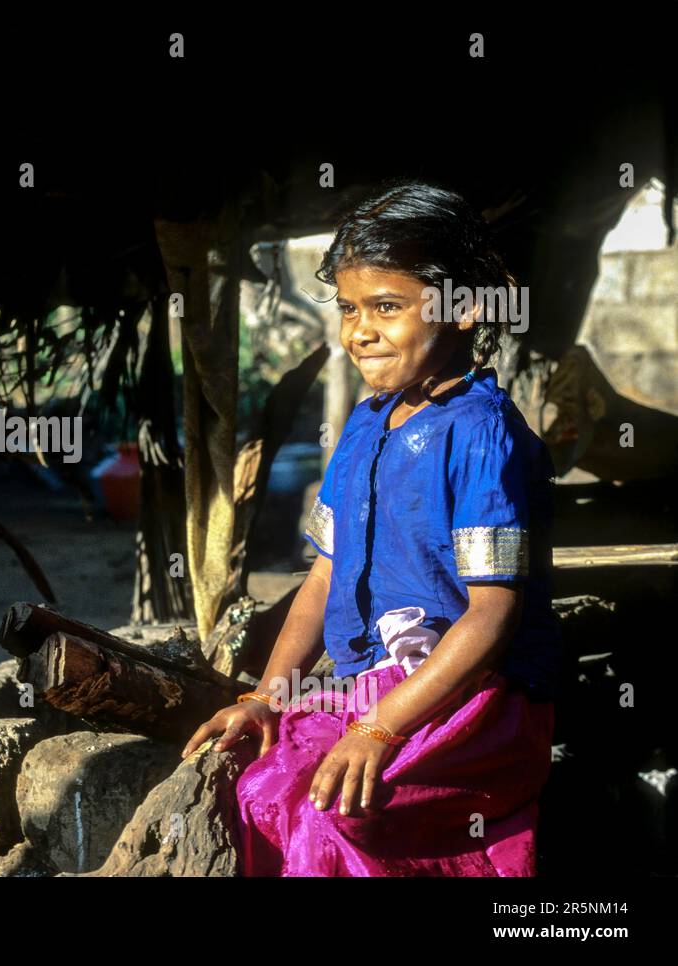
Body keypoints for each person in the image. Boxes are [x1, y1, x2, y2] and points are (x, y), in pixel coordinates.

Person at [181, 182, 561, 876]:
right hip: (377, 690)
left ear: (466, 308)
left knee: (339, 810)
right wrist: (266, 699)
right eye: (350, 308)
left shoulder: (481, 435)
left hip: (479, 703)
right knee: (263, 787)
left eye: (386, 307)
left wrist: (382, 729)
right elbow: (324, 577)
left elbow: (493, 612)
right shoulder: (365, 424)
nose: (359, 330)